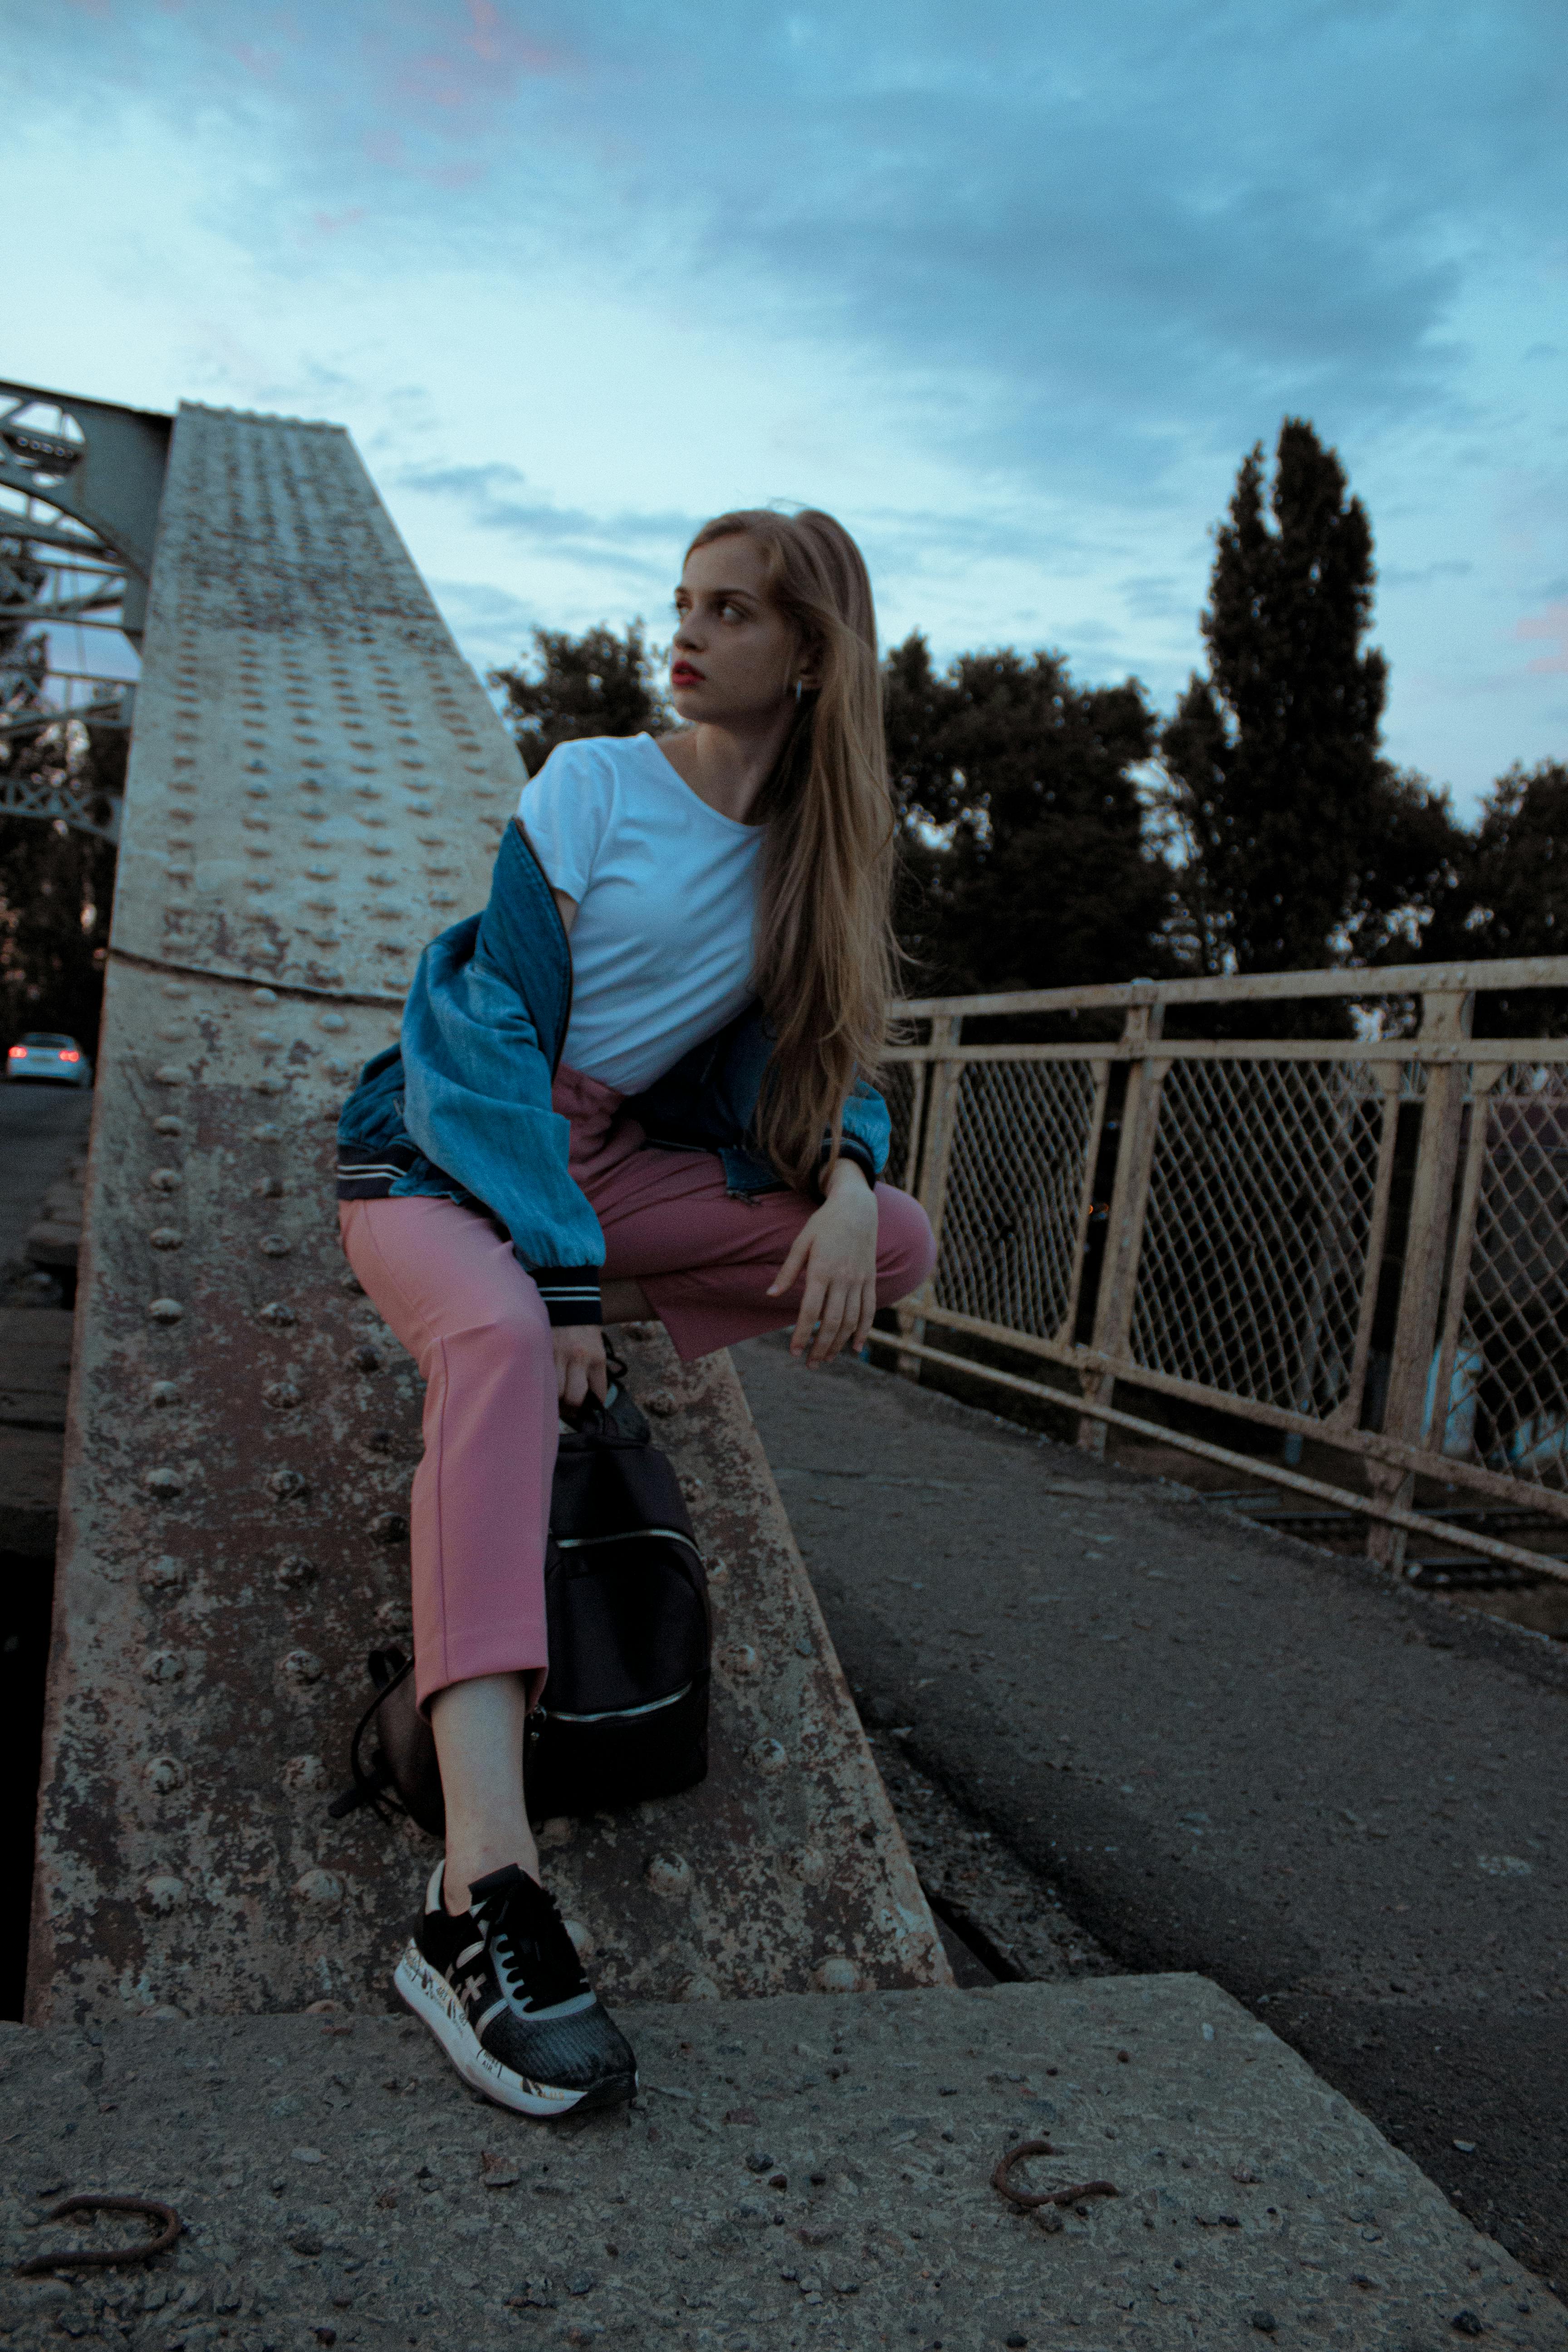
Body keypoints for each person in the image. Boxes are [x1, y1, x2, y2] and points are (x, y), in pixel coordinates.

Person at [334, 508, 936, 2116]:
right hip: (446, 1153)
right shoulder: (593, 783)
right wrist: (557, 1268)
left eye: (731, 612)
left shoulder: (804, 854)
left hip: (603, 1175)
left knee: (894, 1240)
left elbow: (809, 1070)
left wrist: (846, 1178)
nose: (687, 633)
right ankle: (481, 1899)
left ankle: (571, 1289)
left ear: (810, 656)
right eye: (683, 603)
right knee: (505, 1343)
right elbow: (489, 1035)